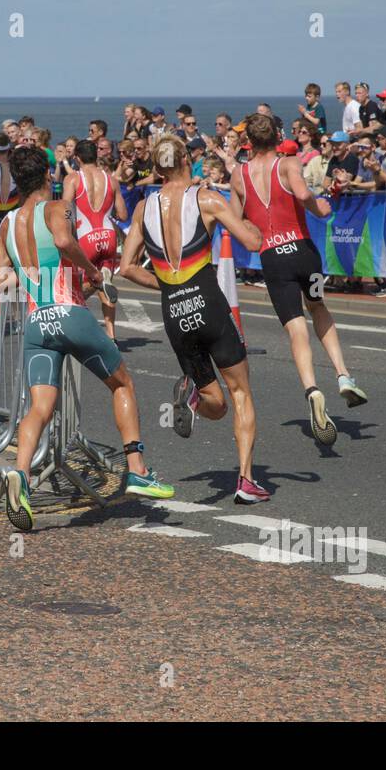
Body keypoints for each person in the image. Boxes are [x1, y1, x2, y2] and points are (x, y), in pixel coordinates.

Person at [0, 146, 174, 530]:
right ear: (46, 176)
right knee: (122, 382)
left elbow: (0, 279)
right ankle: (137, 468)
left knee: (40, 407)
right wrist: (92, 272)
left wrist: (29, 278)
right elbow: (62, 243)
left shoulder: (7, 224)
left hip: (36, 323)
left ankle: (20, 475)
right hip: (68, 314)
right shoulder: (59, 207)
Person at [119, 135, 268, 502]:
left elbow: (126, 268)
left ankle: (194, 401)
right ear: (188, 160)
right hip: (209, 306)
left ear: (156, 168)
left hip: (174, 312)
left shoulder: (144, 208)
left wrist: (169, 286)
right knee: (240, 393)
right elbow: (251, 242)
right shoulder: (207, 198)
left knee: (213, 399)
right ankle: (246, 481)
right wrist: (254, 218)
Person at [232, 113, 368, 445]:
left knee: (295, 327)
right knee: (319, 308)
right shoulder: (288, 163)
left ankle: (311, 388)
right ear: (278, 137)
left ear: (249, 140)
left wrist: (257, 234)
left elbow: (236, 221)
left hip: (273, 258)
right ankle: (343, 375)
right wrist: (323, 207)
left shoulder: (239, 174)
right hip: (305, 254)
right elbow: (304, 195)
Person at [63, 138, 127, 339]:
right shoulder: (111, 179)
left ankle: (73, 331)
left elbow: (65, 209)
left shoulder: (73, 178)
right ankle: (111, 335)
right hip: (108, 236)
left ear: (77, 158)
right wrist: (108, 218)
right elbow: (123, 215)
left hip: (86, 238)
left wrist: (66, 227)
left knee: (75, 289)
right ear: (96, 155)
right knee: (105, 279)